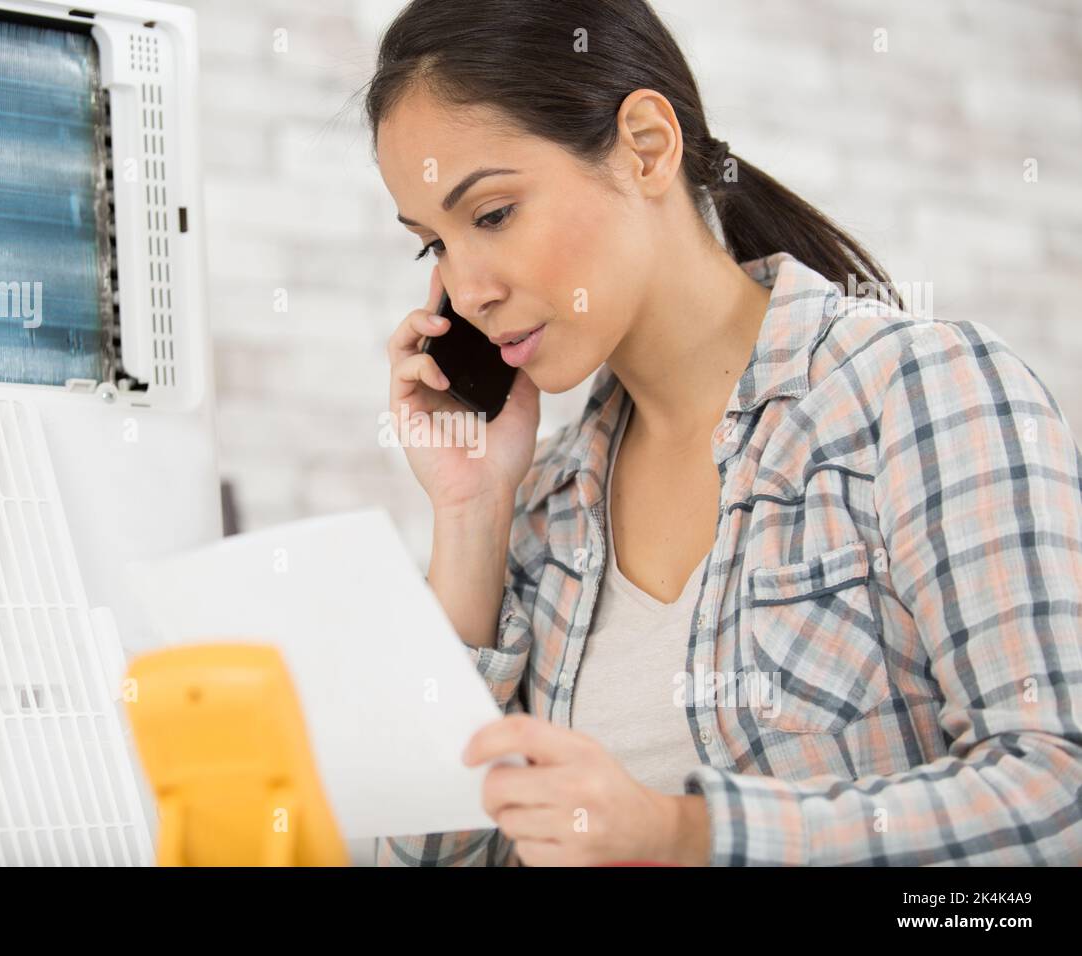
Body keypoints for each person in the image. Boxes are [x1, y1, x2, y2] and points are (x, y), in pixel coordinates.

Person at [367, 0, 1082, 866]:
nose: (467, 289)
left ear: (645, 146)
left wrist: (683, 837)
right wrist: (471, 511)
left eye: (490, 215)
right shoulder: (543, 506)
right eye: (431, 246)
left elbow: (1056, 789)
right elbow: (425, 854)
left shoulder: (914, 393)